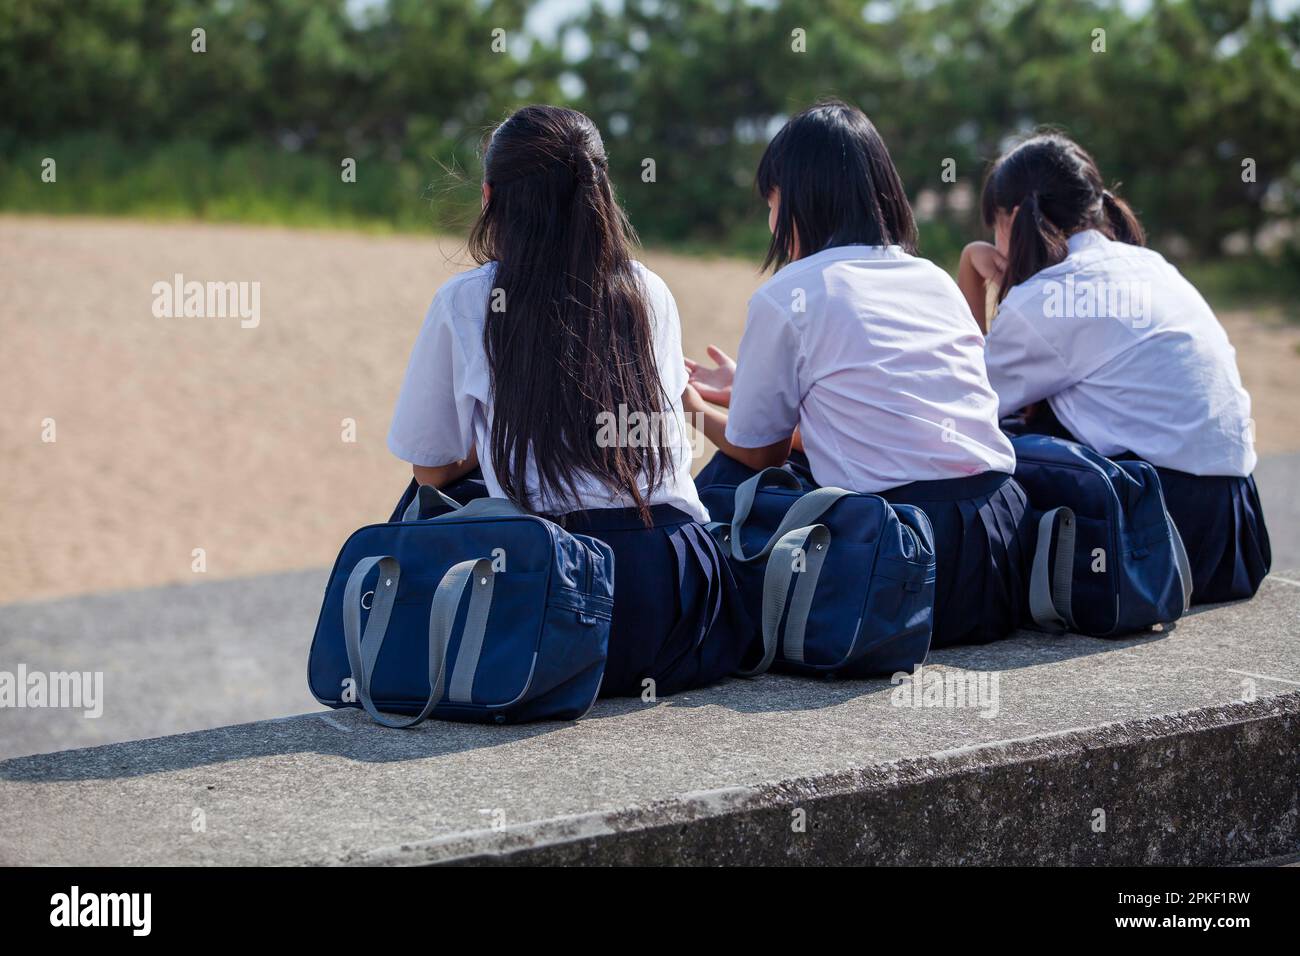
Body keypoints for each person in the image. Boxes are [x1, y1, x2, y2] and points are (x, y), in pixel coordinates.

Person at [388, 105, 753, 696]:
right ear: (600, 193)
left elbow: (430, 468)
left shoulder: (468, 300)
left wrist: (498, 442)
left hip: (558, 597)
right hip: (675, 603)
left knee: (438, 495)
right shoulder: (648, 290)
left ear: (490, 199)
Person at [687, 100, 1031, 647]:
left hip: (899, 555)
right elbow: (880, 421)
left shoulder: (789, 294)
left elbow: (761, 453)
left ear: (797, 199)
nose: (772, 220)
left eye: (772, 202)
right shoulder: (932, 278)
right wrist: (743, 386)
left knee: (729, 484)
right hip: (997, 549)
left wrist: (692, 405)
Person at [964, 131, 1270, 602]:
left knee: (980, 452)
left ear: (1018, 217)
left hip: (1156, 534)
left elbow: (963, 400)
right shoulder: (1153, 265)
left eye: (996, 225)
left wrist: (970, 269)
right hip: (1235, 535)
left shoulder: (1048, 295)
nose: (994, 241)